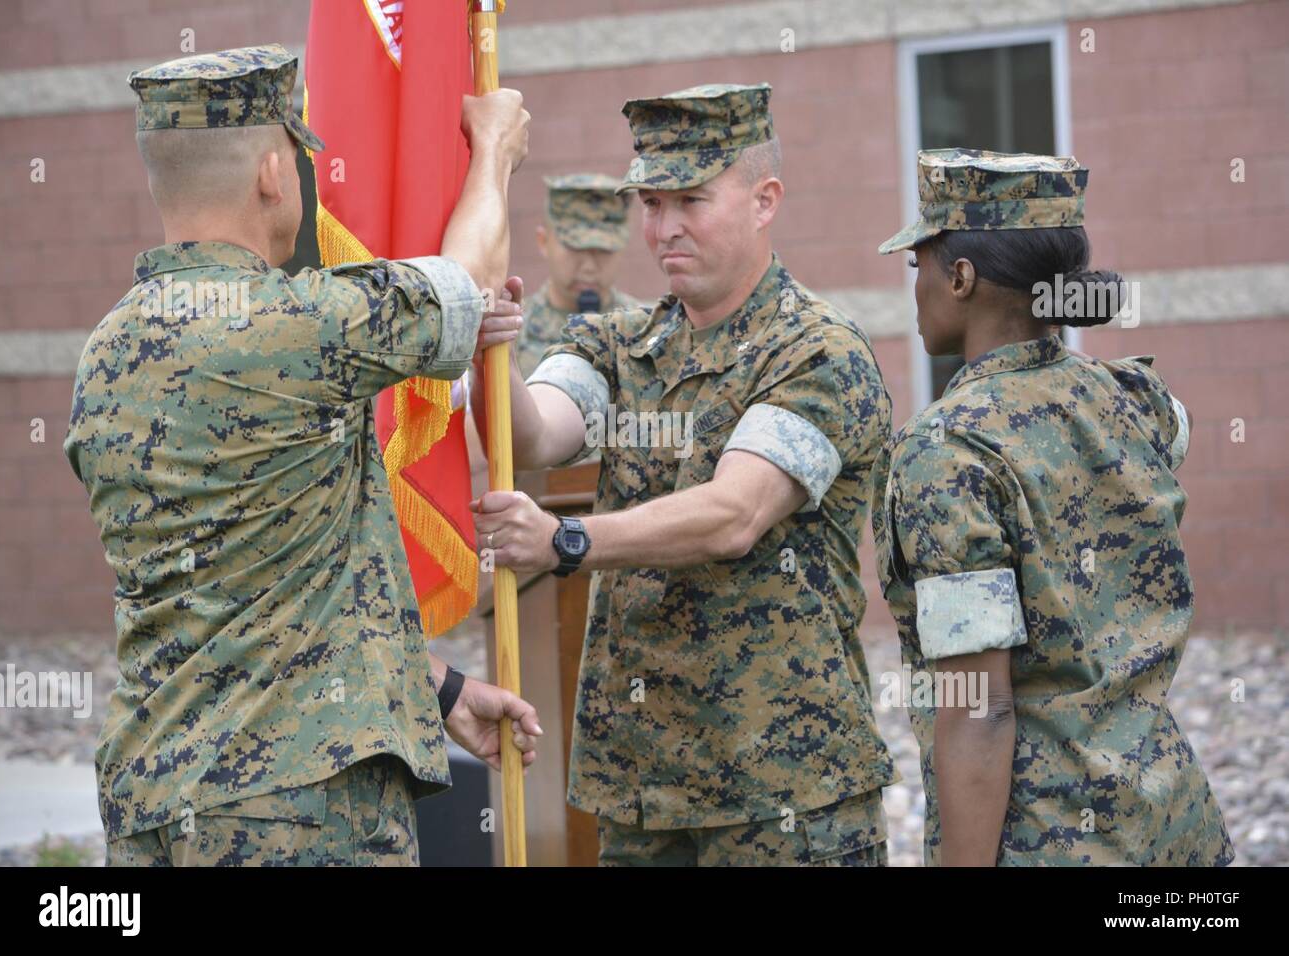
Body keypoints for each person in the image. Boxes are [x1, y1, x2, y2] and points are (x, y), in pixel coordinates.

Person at [63, 44, 542, 866]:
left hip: (153, 806)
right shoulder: (301, 325)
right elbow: (465, 284)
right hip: (299, 813)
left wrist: (443, 691)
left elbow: (253, 587)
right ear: (272, 176)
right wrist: (493, 150)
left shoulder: (105, 354)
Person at [468, 84, 896, 866]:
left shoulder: (815, 352)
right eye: (651, 202)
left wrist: (564, 539)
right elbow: (538, 436)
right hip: (642, 790)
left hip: (783, 792)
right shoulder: (619, 342)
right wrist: (487, 353)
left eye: (690, 200)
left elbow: (734, 514)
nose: (662, 228)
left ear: (765, 201)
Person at [871, 147, 1235, 866]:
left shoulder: (946, 451)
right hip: (1177, 831)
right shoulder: (1135, 397)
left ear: (962, 277)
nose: (915, 288)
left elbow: (982, 706)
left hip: (1052, 843)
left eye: (919, 265)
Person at [516, 173, 645, 378]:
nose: (589, 267)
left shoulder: (646, 329)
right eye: (575, 248)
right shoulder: (512, 334)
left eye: (604, 251)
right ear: (543, 242)